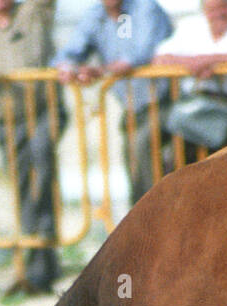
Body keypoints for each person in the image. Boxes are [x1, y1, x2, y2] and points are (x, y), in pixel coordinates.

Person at [0, 0, 60, 296]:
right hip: (7, 119)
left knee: (41, 177)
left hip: (44, 111)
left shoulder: (34, 12)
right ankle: (37, 263)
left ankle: (42, 265)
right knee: (22, 187)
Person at [54, 0, 173, 206]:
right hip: (134, 107)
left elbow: (142, 53)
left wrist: (100, 71)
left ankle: (150, 220)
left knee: (143, 152)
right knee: (136, 161)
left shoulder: (146, 8)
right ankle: (145, 221)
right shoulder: (95, 15)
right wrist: (67, 67)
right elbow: (69, 53)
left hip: (168, 101)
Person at [151, 0, 227, 164]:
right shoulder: (190, 27)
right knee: (187, 167)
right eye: (212, 9)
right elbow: (160, 57)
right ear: (204, 11)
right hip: (200, 107)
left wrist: (209, 61)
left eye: (223, 7)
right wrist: (192, 63)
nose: (219, 14)